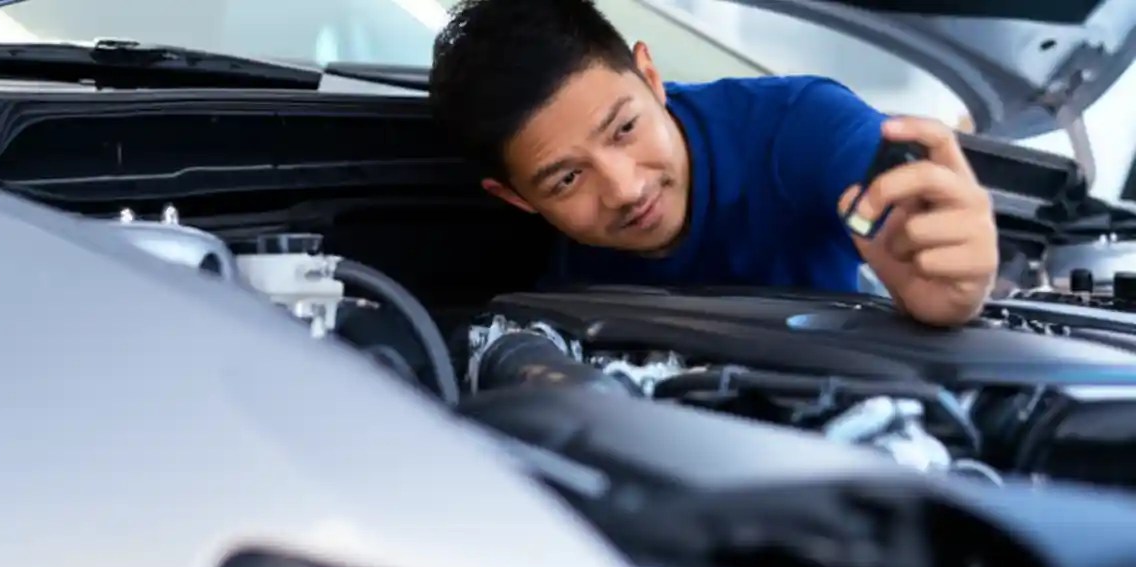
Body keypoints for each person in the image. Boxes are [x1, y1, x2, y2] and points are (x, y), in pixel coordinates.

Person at [427, 0, 999, 327]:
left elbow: (892, 188)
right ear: (517, 199)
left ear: (651, 77)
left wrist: (953, 281)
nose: (624, 189)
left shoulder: (798, 125)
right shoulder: (549, 296)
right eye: (568, 178)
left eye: (625, 127)